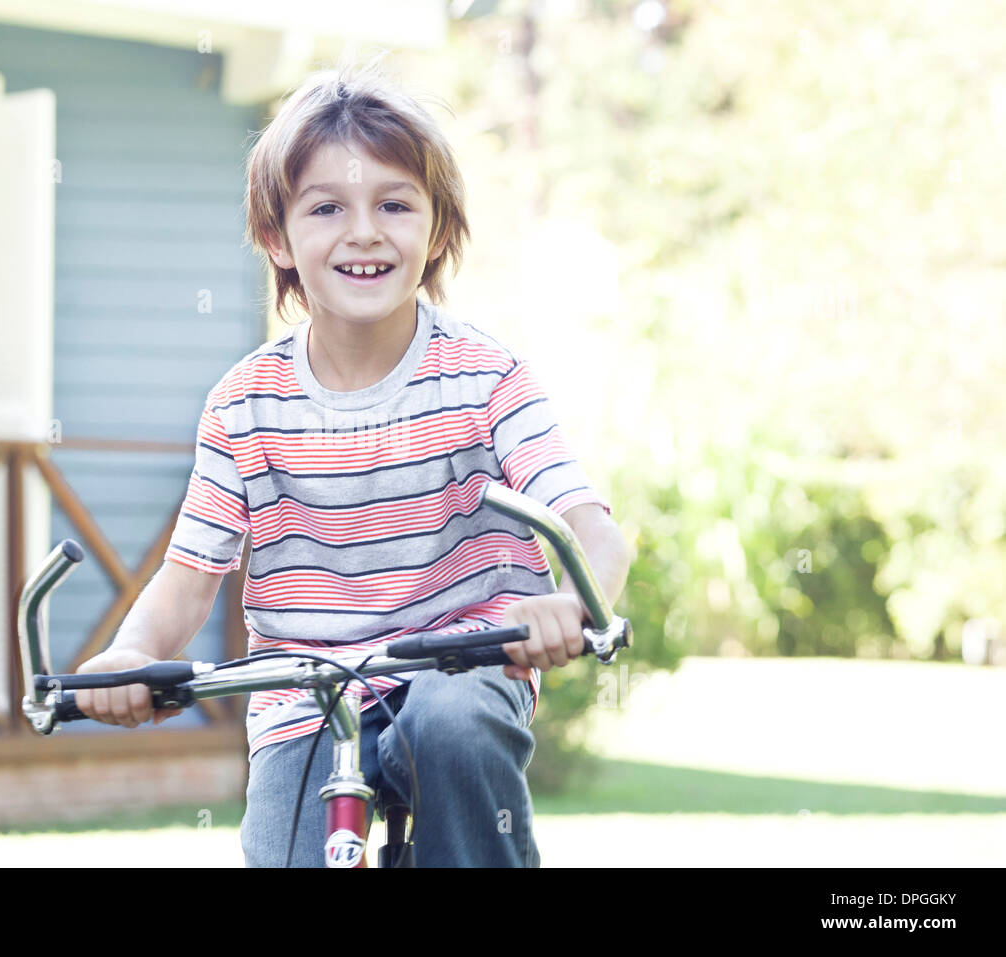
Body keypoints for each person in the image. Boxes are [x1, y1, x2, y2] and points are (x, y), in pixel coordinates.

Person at [74, 58, 631, 867]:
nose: (364, 232)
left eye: (395, 205)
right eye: (327, 207)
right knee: (284, 846)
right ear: (278, 237)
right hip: (306, 697)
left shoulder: (486, 378)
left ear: (437, 229)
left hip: (464, 666)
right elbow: (189, 578)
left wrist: (571, 605)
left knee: (450, 724)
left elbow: (596, 533)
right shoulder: (244, 403)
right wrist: (129, 657)